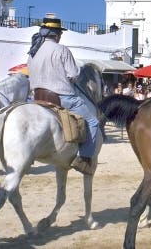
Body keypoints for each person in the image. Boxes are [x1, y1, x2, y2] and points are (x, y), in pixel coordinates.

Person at [27, 15, 100, 175]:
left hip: (37, 97)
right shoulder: (62, 50)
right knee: (93, 122)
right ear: (57, 34)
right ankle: (83, 159)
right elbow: (74, 74)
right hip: (62, 97)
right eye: (60, 33)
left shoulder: (33, 52)